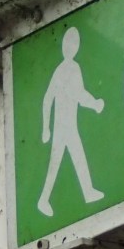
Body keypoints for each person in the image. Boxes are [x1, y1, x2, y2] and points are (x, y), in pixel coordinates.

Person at [37, 26, 104, 217]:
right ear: (63, 46)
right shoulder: (65, 69)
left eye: (74, 44)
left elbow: (78, 94)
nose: (71, 47)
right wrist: (46, 128)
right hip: (62, 127)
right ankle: (44, 200)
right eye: (68, 43)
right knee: (55, 163)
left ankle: (88, 192)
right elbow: (49, 98)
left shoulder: (73, 67)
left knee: (77, 157)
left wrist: (93, 103)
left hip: (69, 126)